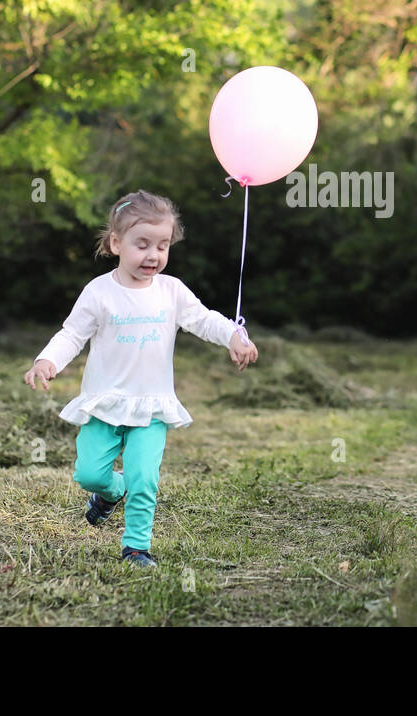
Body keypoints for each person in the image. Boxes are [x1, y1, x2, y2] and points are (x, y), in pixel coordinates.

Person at [24, 189, 258, 568]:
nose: (153, 255)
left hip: (151, 406)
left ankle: (136, 547)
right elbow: (72, 334)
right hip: (104, 403)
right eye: (143, 244)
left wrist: (234, 334)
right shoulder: (99, 292)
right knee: (89, 473)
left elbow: (202, 319)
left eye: (162, 245)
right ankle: (110, 492)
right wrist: (47, 361)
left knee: (144, 478)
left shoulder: (171, 291)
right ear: (117, 243)